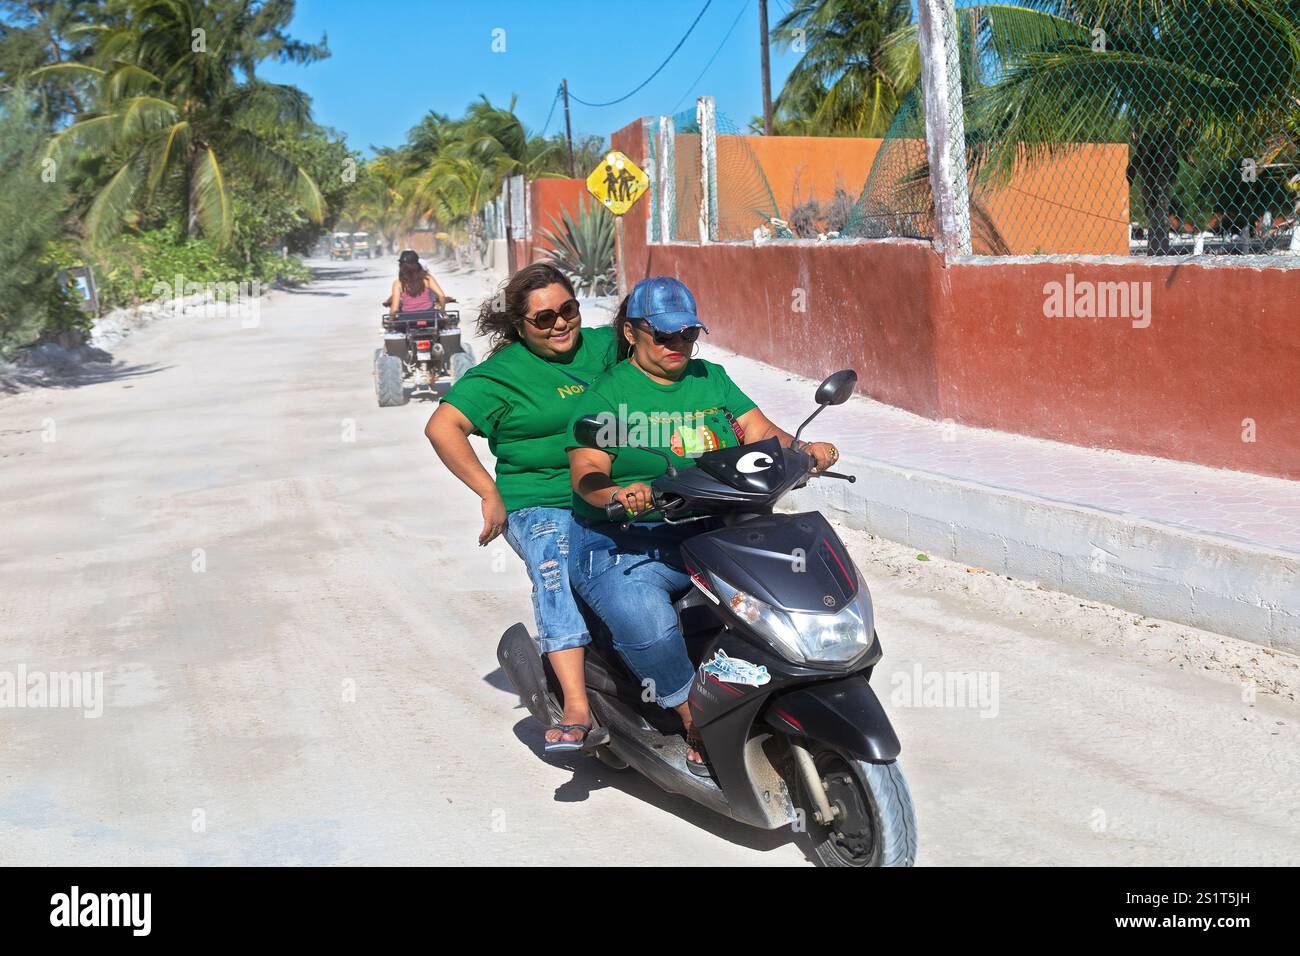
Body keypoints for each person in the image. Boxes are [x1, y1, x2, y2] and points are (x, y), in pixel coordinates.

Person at [565, 276, 839, 774]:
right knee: (641, 607)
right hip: (625, 543)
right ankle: (694, 717)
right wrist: (618, 495)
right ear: (631, 333)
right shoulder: (605, 397)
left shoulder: (710, 378)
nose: (678, 346)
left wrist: (802, 452)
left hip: (709, 529)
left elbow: (760, 433)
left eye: (687, 335)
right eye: (664, 336)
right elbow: (587, 474)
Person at [425, 263, 617, 751]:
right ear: (519, 326)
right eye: (544, 318)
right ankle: (576, 704)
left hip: (613, 491)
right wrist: (489, 492)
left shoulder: (606, 346)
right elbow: (442, 428)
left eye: (567, 310)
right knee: (555, 567)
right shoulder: (499, 376)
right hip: (542, 504)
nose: (560, 324)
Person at [389, 250, 447, 314]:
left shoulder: (398, 283)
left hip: (407, 317)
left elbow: (395, 309)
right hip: (429, 315)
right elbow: (441, 296)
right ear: (417, 263)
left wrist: (390, 319)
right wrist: (442, 309)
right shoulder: (427, 278)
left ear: (401, 266)